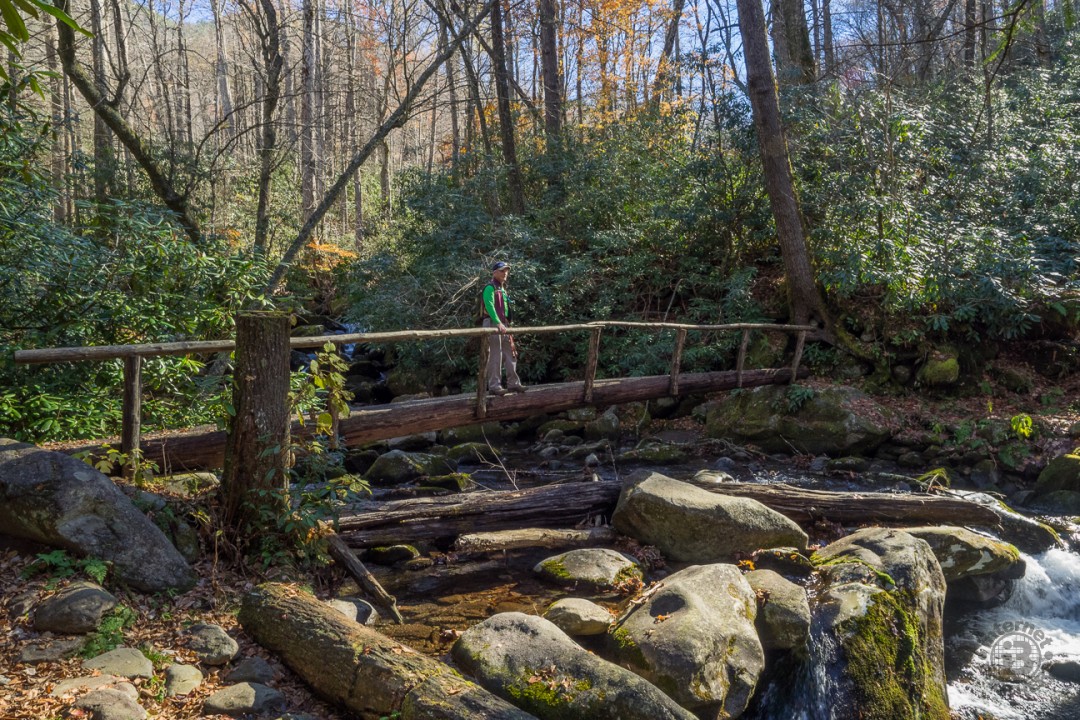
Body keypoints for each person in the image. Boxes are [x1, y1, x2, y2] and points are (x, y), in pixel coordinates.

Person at [481, 261, 525, 394]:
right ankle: (495, 386)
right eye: (502, 271)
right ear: (494, 273)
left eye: (506, 271)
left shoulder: (502, 288)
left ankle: (513, 384)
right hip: (493, 323)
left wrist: (504, 322)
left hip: (504, 324)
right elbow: (489, 306)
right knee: (496, 354)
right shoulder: (490, 287)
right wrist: (498, 322)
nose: (505, 273)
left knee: (510, 352)